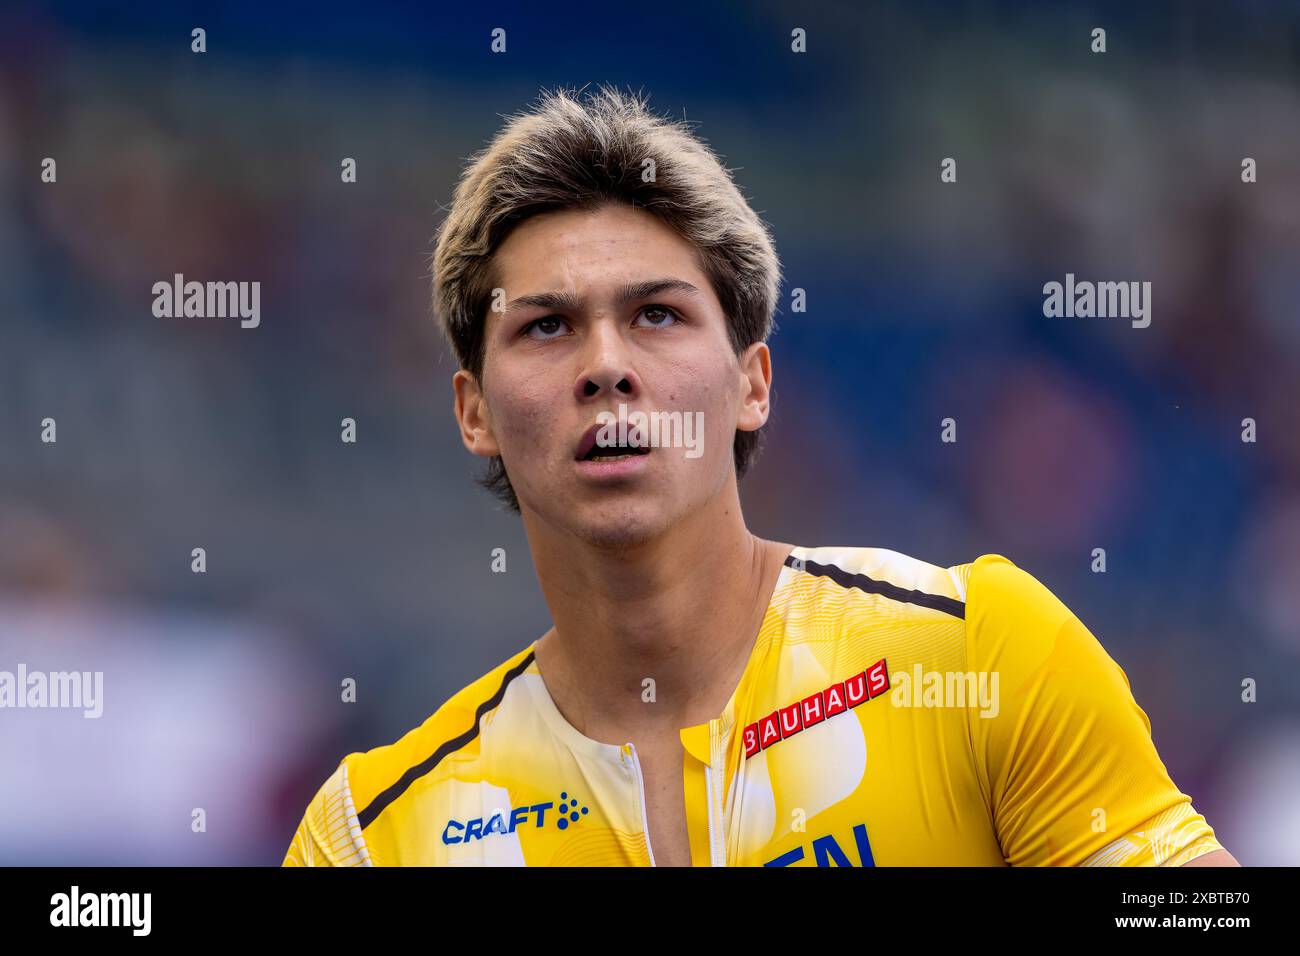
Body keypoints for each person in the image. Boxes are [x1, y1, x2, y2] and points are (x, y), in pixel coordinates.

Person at [283, 85, 1237, 867]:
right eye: (546, 325)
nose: (606, 365)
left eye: (657, 315)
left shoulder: (981, 655)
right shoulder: (372, 836)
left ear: (752, 384)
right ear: (474, 412)